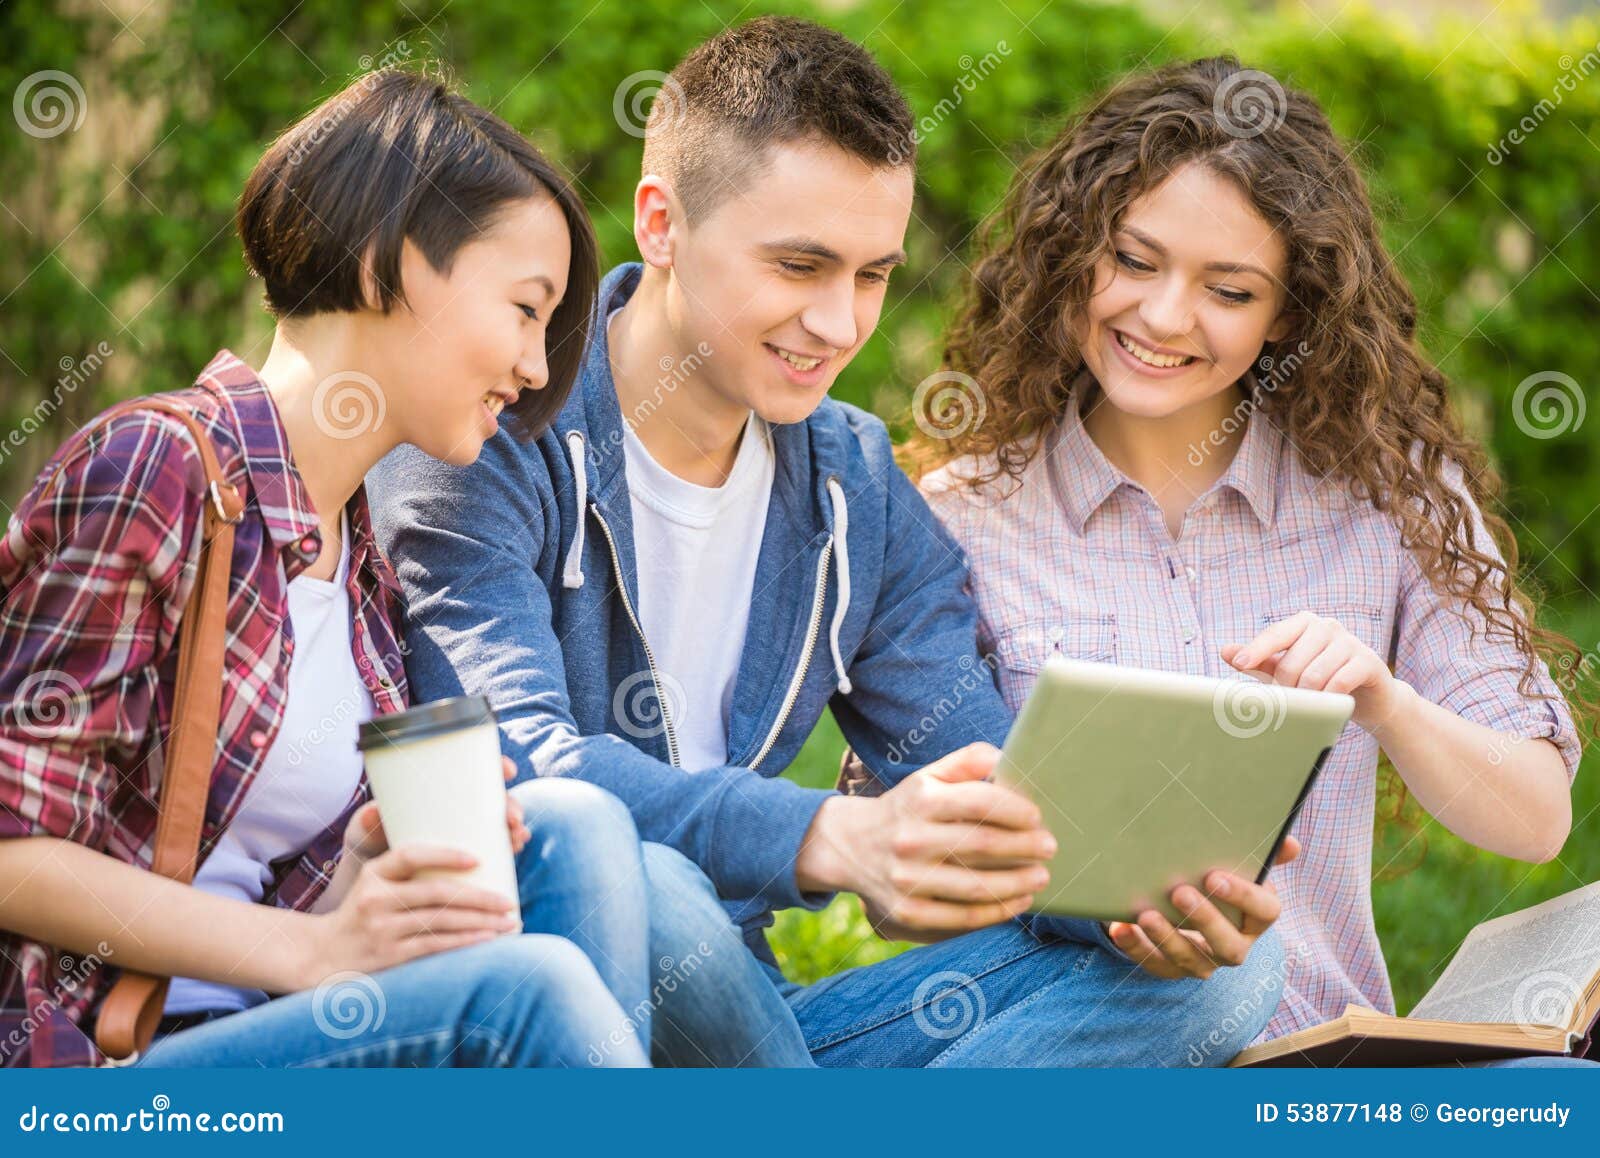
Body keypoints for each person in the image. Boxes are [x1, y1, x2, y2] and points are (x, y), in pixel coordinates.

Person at [370, 19, 1288, 1068]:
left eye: (870, 275)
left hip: (742, 1027)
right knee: (647, 881)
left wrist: (1145, 892)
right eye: (799, 265)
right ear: (661, 223)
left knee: (1232, 974)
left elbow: (979, 786)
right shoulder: (489, 423)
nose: (838, 323)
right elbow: (518, 774)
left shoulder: (853, 483)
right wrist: (827, 837)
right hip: (545, 1008)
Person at [913, 56, 1589, 1056]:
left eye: (1228, 289)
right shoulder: (961, 516)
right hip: (1070, 1061)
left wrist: (1383, 701)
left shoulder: (1384, 493)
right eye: (1133, 262)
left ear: (1290, 313)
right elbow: (901, 894)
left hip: (1311, 1072)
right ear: (1070, 257)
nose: (1164, 317)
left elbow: (1534, 821)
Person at [0, 68, 651, 1068]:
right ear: (396, 262)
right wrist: (308, 946)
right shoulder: (158, 468)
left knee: (577, 830)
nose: (534, 369)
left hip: (265, 1036)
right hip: (99, 1071)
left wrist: (356, 876)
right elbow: (11, 855)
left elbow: (305, 926)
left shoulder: (358, 567)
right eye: (526, 309)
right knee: (531, 994)